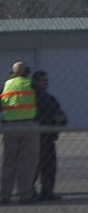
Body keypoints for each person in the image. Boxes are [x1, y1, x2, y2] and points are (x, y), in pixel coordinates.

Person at [1, 61, 40, 204]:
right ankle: (25, 195)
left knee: (8, 162)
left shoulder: (6, 86)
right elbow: (41, 101)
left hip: (10, 127)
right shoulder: (31, 85)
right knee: (27, 163)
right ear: (27, 72)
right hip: (29, 124)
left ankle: (5, 195)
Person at [32, 70, 68, 201]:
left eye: (46, 80)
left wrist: (60, 120)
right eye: (43, 80)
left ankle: (45, 192)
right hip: (40, 136)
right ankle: (35, 191)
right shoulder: (39, 98)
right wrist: (56, 119)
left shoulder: (48, 98)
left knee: (47, 166)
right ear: (35, 81)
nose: (46, 83)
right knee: (38, 166)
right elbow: (58, 116)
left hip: (47, 136)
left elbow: (61, 116)